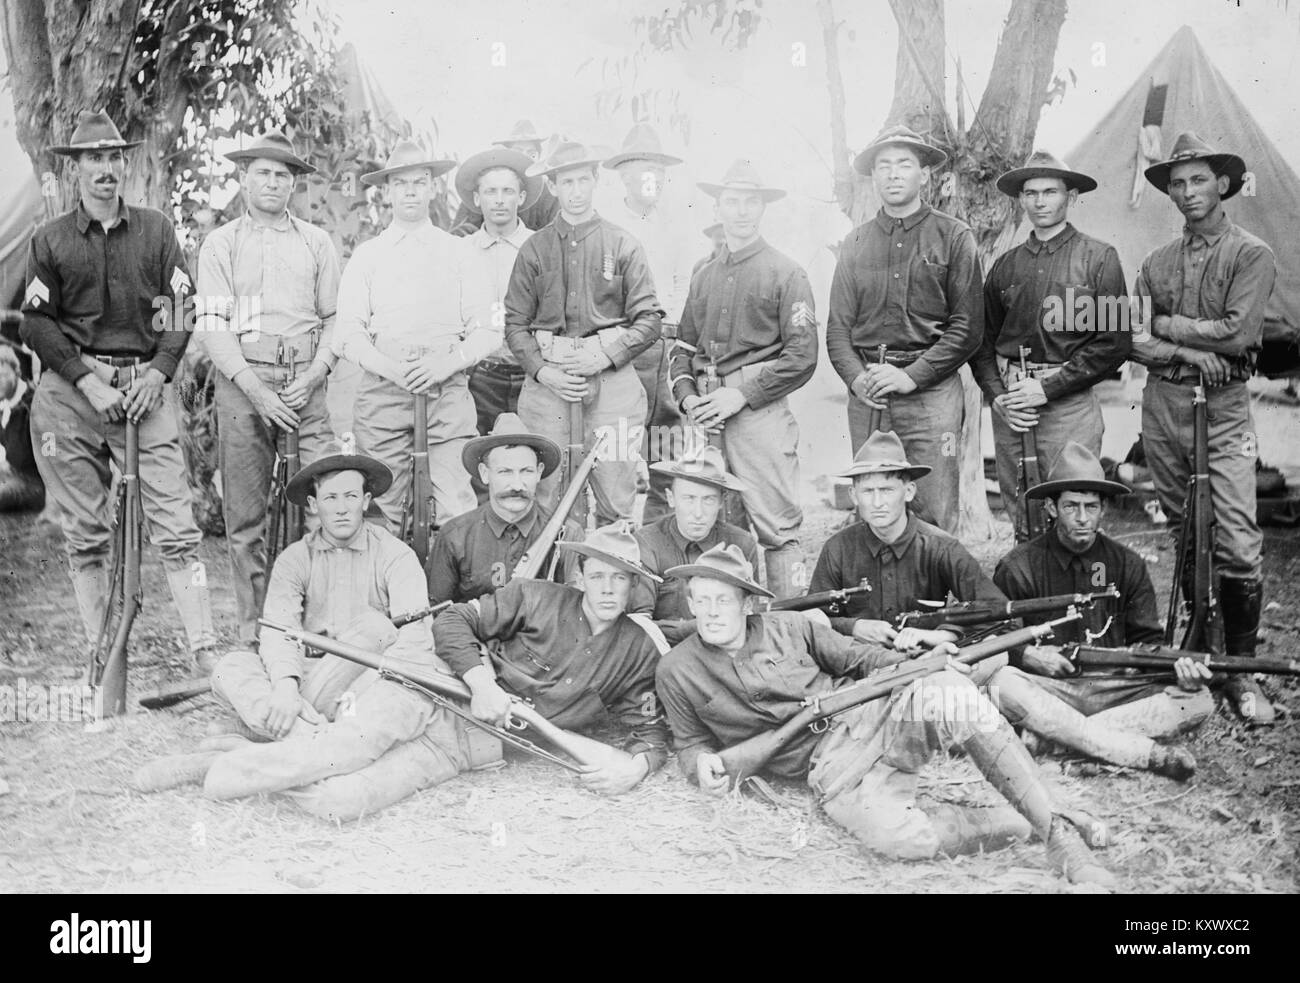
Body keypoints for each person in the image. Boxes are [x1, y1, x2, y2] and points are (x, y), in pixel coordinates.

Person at [655, 543, 1113, 887]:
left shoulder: (792, 627)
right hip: (828, 772)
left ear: (747, 602)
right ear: (690, 604)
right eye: (702, 600)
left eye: (723, 599)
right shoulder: (676, 671)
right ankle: (1042, 818)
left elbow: (861, 660)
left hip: (866, 719)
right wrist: (699, 764)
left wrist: (921, 663)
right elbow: (688, 743)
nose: (712, 612)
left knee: (949, 689)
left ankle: (1062, 841)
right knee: (901, 841)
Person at [131, 451, 496, 820]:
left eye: (351, 497)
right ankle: (310, 744)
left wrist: (367, 691)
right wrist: (287, 688)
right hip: (308, 685)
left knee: (374, 630)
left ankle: (237, 756)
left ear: (366, 502)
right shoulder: (295, 559)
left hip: (367, 685)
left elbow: (414, 639)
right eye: (330, 498)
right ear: (313, 504)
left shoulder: (395, 555)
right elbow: (278, 632)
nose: (341, 508)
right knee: (231, 667)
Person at [20, 110, 216, 668]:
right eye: (93, 159)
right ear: (76, 169)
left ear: (123, 164)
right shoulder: (49, 239)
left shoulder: (156, 229)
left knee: (178, 528)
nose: (105, 169)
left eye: (113, 157)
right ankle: (102, 652)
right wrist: (86, 378)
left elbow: (181, 307)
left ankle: (203, 648)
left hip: (145, 391)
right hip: (71, 399)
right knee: (85, 533)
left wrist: (158, 373)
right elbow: (36, 322)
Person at [1130, 131, 1277, 725]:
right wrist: (1186, 350)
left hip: (1224, 406)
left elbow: (1238, 335)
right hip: (1166, 403)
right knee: (1186, 530)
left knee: (1236, 536)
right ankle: (1200, 650)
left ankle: (1241, 672)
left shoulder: (1251, 253)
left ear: (1223, 183)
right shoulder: (1155, 262)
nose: (1188, 191)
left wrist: (1170, 323)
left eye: (1198, 179)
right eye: (1177, 182)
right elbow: (1133, 339)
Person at [982, 442, 1212, 779]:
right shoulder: (1020, 566)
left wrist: (1177, 669)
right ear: (1050, 507)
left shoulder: (1127, 564)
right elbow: (992, 639)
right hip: (1047, 690)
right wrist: (1028, 655)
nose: (1082, 518)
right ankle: (1139, 752)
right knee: (999, 684)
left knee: (1198, 700)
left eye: (1091, 506)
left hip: (1113, 689)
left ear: (1103, 508)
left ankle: (1052, 741)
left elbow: (1146, 640)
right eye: (1071, 506)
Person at [196, 129, 342, 648]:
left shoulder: (316, 242)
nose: (273, 182)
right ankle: (254, 631)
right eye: (263, 172)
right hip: (244, 380)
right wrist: (257, 390)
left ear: (294, 185)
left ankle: (317, 627)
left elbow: (334, 319)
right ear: (243, 179)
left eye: (283, 175)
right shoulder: (223, 244)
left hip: (305, 380)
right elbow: (214, 325)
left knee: (323, 502)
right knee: (247, 512)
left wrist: (314, 374)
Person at [432, 524, 671, 795]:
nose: (607, 589)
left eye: (619, 578)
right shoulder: (533, 596)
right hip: (444, 703)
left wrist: (635, 770)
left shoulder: (640, 650)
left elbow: (650, 729)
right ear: (580, 578)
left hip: (483, 745)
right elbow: (452, 619)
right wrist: (483, 687)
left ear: (634, 584)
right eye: (597, 576)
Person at [670, 159, 817, 598]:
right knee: (712, 522)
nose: (740, 211)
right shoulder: (704, 275)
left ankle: (791, 624)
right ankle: (723, 625)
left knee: (777, 525)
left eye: (751, 201)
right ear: (717, 206)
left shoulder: (786, 272)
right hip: (705, 415)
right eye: (731, 201)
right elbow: (683, 347)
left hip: (757, 412)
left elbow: (802, 354)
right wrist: (686, 398)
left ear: (763, 208)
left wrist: (743, 395)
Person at [825, 125, 982, 533]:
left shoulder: (954, 237)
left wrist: (911, 377)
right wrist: (858, 381)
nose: (893, 174)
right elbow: (838, 330)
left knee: (933, 505)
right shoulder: (855, 243)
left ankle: (935, 597)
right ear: (873, 176)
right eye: (883, 166)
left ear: (924, 174)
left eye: (904, 164)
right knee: (874, 503)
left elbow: (967, 329)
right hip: (871, 392)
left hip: (930, 392)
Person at [973, 151, 1129, 542]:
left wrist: (1046, 388)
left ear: (1070, 196)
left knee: (1074, 502)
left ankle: (1074, 600)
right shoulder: (1005, 266)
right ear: (1021, 199)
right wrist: (999, 398)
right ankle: (1030, 598)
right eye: (1030, 193)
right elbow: (982, 342)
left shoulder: (1099, 258)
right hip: (1012, 403)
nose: (1039, 201)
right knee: (1022, 508)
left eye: (1050, 191)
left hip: (1068, 403)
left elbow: (1114, 344)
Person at [504, 141, 663, 525]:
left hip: (611, 382)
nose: (575, 191)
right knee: (546, 496)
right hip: (549, 386)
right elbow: (514, 324)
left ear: (595, 181)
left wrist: (605, 356)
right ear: (553, 187)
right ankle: (555, 583)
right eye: (565, 182)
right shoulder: (533, 250)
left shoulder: (623, 243)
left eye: (582, 180)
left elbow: (649, 319)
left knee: (616, 495)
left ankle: (613, 579)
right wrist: (544, 372)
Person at [335, 140, 490, 533]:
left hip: (446, 388)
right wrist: (390, 369)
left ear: (432, 188)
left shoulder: (459, 253)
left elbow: (489, 329)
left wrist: (444, 364)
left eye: (419, 182)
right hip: (385, 390)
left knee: (456, 504)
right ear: (387, 191)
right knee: (383, 508)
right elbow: (347, 334)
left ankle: (453, 595)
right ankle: (389, 593)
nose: (409, 191)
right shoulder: (368, 256)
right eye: (400, 183)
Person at [807, 430, 1004, 645]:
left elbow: (996, 610)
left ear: (908, 492)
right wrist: (853, 627)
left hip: (926, 663)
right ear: (854, 496)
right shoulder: (838, 549)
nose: (877, 502)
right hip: (856, 663)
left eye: (887, 490)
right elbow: (811, 619)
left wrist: (940, 634)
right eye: (867, 492)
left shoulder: (941, 547)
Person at [601, 124, 694, 523]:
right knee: (619, 446)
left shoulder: (675, 228)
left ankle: (660, 534)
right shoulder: (607, 228)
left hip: (664, 346)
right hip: (623, 346)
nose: (649, 181)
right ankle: (616, 535)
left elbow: (681, 285)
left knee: (666, 443)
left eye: (656, 173)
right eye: (641, 172)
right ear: (623, 176)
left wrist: (665, 325)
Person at [425, 412, 578, 603]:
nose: (517, 485)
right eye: (505, 472)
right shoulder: (455, 536)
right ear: (485, 473)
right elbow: (437, 612)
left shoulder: (567, 535)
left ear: (539, 473)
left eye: (526, 471)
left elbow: (575, 613)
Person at [454, 147, 544, 439]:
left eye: (508, 191)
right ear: (477, 199)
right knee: (480, 458)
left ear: (521, 197)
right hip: (479, 374)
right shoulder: (461, 251)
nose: (500, 200)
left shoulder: (541, 247)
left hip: (531, 373)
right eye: (491, 192)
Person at [631, 443, 758, 644]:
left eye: (708, 500)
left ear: (721, 501)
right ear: (671, 498)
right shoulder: (646, 543)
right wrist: (702, 627)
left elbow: (748, 615)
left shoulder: (742, 544)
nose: (698, 513)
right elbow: (639, 625)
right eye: (689, 499)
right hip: (665, 651)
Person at [450, 120, 559, 235]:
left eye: (532, 154)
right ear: (507, 155)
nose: (525, 159)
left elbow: (554, 235)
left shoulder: (549, 193)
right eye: (518, 152)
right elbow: (463, 229)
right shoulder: (487, 186)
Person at [0, 342, 44, 512]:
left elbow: (51, 452)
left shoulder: (33, 404)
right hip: (13, 473)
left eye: (1, 376)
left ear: (17, 372)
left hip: (34, 484)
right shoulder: (5, 405)